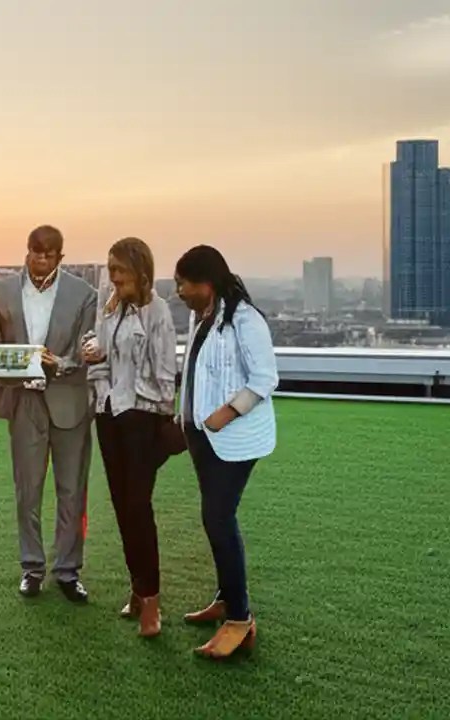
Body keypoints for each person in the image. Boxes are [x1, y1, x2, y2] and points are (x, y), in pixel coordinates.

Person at [0, 225, 98, 603]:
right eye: (35, 252)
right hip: (24, 402)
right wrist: (26, 364)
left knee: (71, 491)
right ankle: (31, 568)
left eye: (49, 254)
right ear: (26, 251)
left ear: (60, 257)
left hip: (70, 402)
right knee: (26, 491)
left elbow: (86, 354)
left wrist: (59, 363)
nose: (41, 259)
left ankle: (68, 570)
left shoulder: (85, 294)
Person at [174, 245, 278, 659]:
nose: (179, 290)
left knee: (219, 517)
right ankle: (226, 598)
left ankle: (240, 619)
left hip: (233, 437)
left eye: (185, 283)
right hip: (200, 434)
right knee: (214, 519)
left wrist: (225, 414)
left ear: (208, 283)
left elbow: (266, 378)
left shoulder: (246, 320)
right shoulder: (200, 316)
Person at [82, 238, 177, 637]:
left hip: (143, 417)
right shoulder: (108, 308)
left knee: (139, 506)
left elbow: (165, 369)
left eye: (119, 270)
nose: (113, 277)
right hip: (108, 414)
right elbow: (99, 357)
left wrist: (161, 414)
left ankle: (151, 601)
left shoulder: (158, 311)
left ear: (141, 271)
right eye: (110, 269)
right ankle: (137, 588)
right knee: (122, 507)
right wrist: (95, 360)